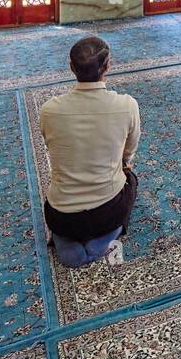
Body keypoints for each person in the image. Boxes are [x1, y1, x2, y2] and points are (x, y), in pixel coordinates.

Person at [40, 35, 140, 247]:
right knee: (132, 180)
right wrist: (124, 165)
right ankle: (104, 239)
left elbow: (52, 146)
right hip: (108, 212)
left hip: (60, 217)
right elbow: (129, 152)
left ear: (71, 68)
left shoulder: (49, 110)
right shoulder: (127, 105)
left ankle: (67, 243)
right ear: (108, 66)